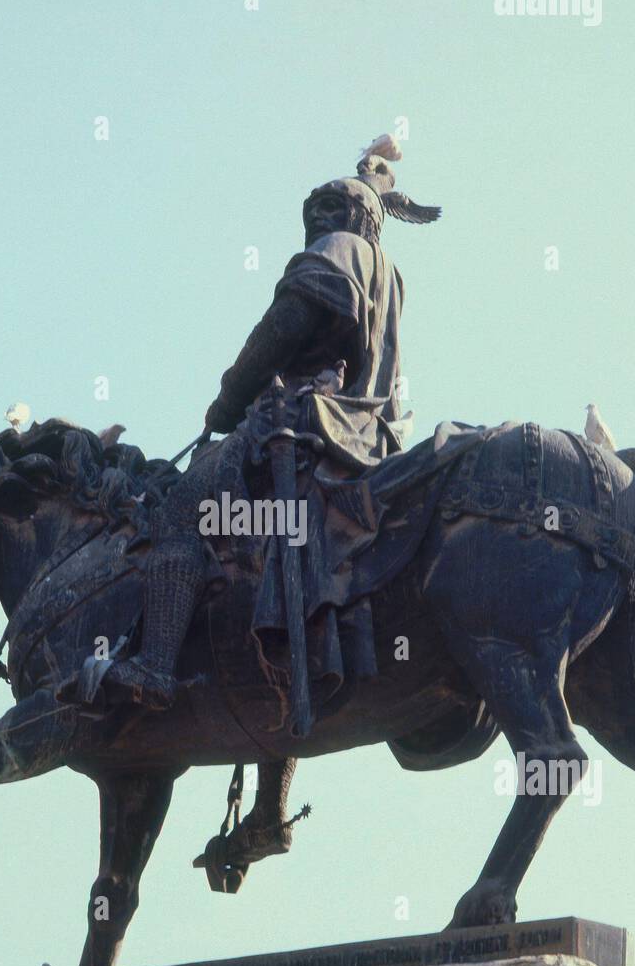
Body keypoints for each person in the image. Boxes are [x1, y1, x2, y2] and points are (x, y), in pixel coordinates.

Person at [97, 135, 441, 710]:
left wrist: (228, 402)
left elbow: (283, 329)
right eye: (315, 214)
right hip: (371, 433)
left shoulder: (337, 249)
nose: (316, 221)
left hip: (310, 420)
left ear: (350, 215)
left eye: (326, 210)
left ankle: (155, 666)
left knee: (184, 510)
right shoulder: (391, 273)